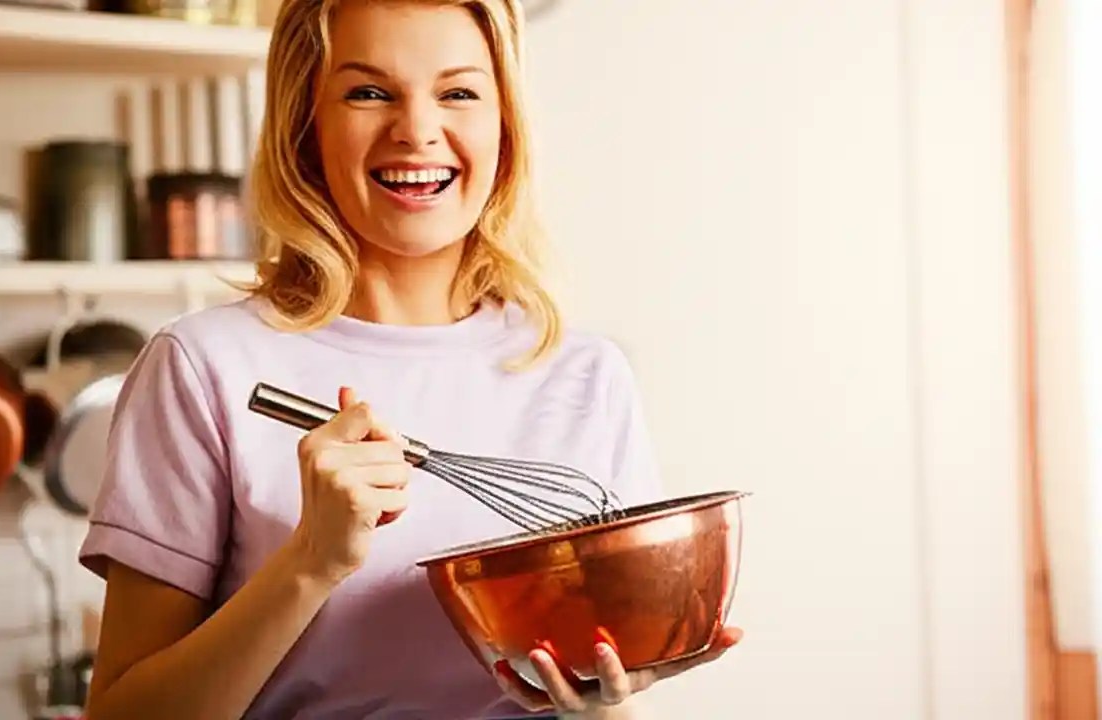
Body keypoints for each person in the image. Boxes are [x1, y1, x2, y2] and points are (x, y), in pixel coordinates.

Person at [76, 0, 742, 718]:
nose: (418, 131)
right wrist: (312, 560)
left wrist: (605, 703)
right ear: (307, 123)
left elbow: (601, 679)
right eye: (368, 91)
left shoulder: (583, 373)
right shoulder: (203, 366)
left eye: (458, 92)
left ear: (504, 125)